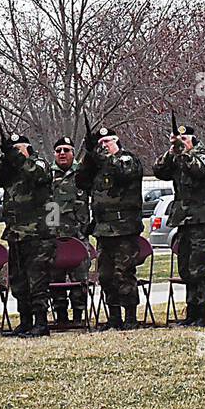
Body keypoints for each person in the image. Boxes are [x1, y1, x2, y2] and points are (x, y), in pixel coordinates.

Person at [76, 124, 145, 330]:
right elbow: (81, 180)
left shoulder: (126, 159)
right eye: (100, 143)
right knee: (106, 276)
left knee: (123, 273)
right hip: (104, 229)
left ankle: (131, 318)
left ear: (116, 142)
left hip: (124, 228)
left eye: (107, 141)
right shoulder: (98, 165)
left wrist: (109, 156)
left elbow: (126, 173)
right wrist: (89, 155)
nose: (104, 146)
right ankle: (114, 317)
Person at [0, 130, 54, 338]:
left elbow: (38, 175)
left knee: (37, 281)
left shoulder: (38, 163)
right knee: (19, 281)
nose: (14, 153)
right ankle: (25, 321)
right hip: (15, 235)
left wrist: (17, 157)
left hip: (37, 235)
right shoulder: (11, 170)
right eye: (12, 150)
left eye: (18, 149)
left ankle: (41, 323)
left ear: (27, 149)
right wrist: (4, 158)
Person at [153, 121, 205, 327]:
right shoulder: (176, 156)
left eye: (185, 139)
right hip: (183, 221)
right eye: (179, 140)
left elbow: (200, 170)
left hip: (201, 220)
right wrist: (171, 151)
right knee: (186, 268)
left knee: (199, 268)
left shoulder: (203, 154)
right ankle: (192, 312)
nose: (181, 143)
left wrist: (183, 153)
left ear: (193, 139)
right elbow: (159, 171)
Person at [47, 135, 91, 324]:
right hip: (55, 236)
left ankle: (79, 316)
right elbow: (48, 207)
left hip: (79, 235)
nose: (62, 154)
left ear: (73, 153)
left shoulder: (82, 173)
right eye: (58, 151)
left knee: (79, 279)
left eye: (66, 150)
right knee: (56, 279)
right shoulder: (48, 175)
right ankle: (61, 316)